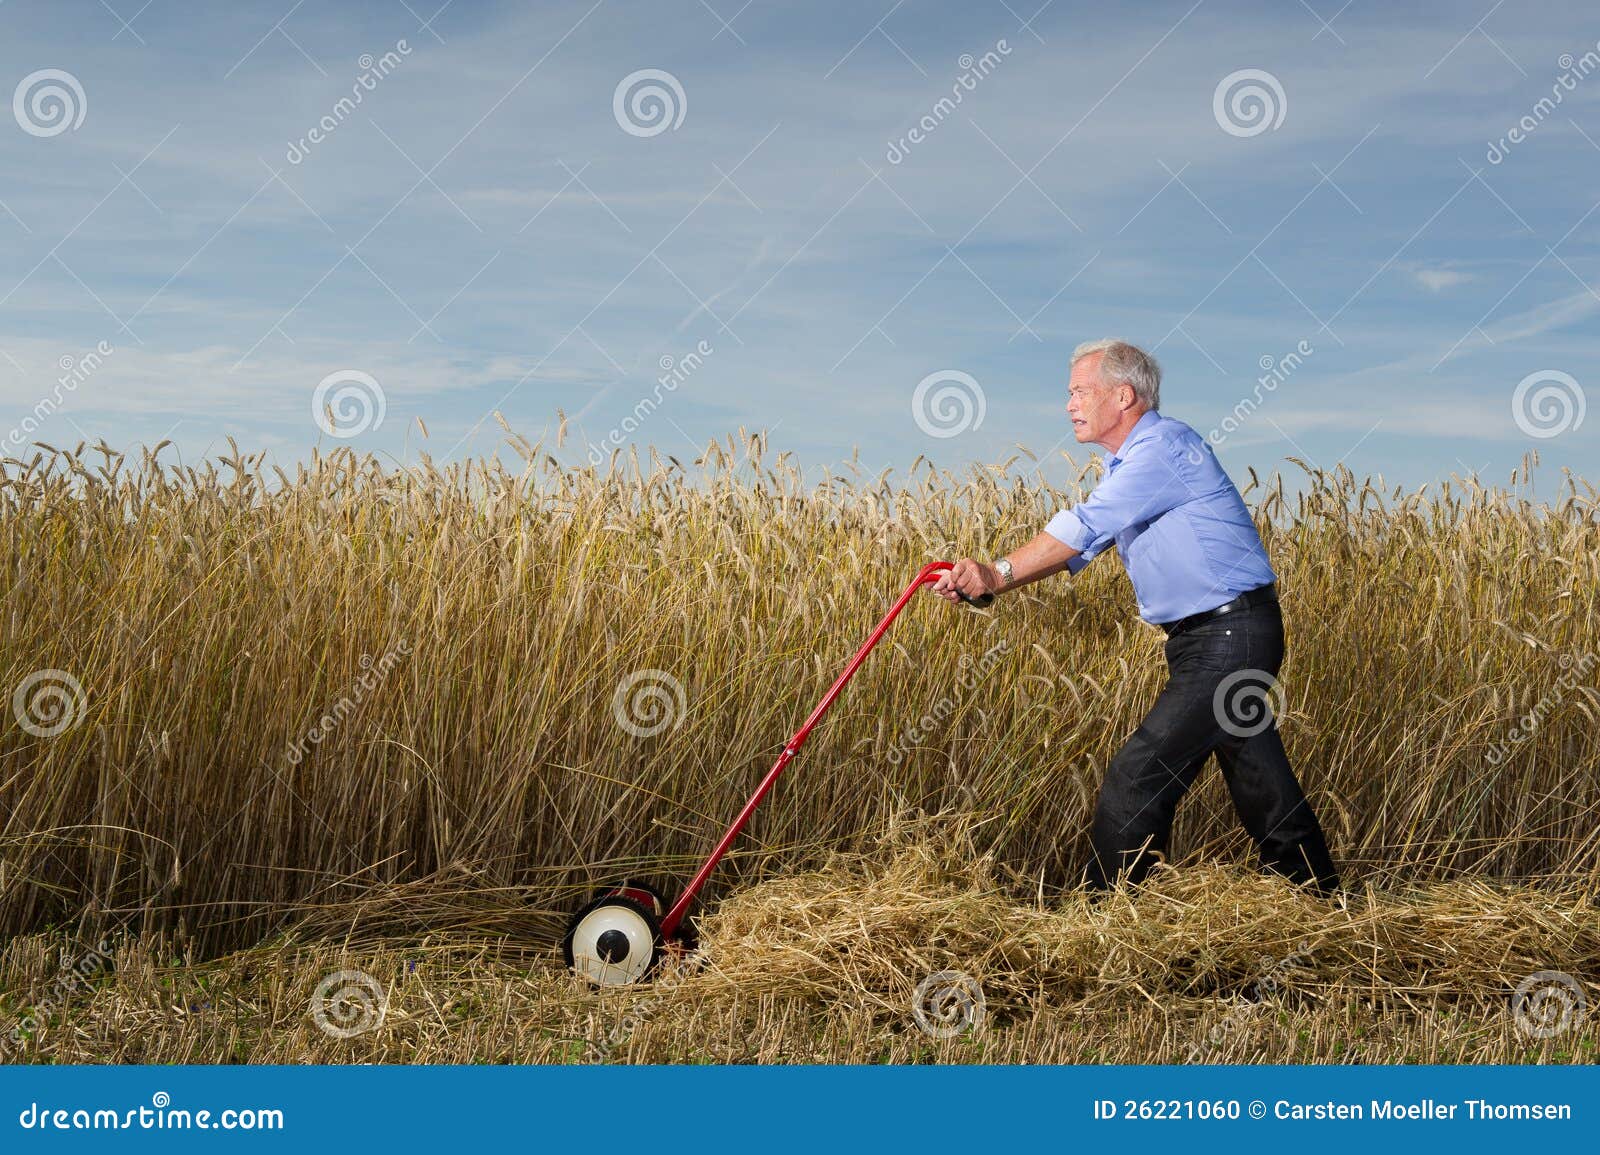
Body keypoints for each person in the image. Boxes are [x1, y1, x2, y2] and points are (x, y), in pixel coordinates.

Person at [932, 338, 1341, 895]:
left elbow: (1084, 525)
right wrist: (983, 583)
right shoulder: (1130, 464)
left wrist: (994, 573)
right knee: (1259, 776)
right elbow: (1080, 547)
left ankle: (1106, 917)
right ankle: (1318, 897)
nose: (1069, 404)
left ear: (1123, 395)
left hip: (1228, 636)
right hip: (1214, 638)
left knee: (1138, 774)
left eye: (1080, 391)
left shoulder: (1165, 448)